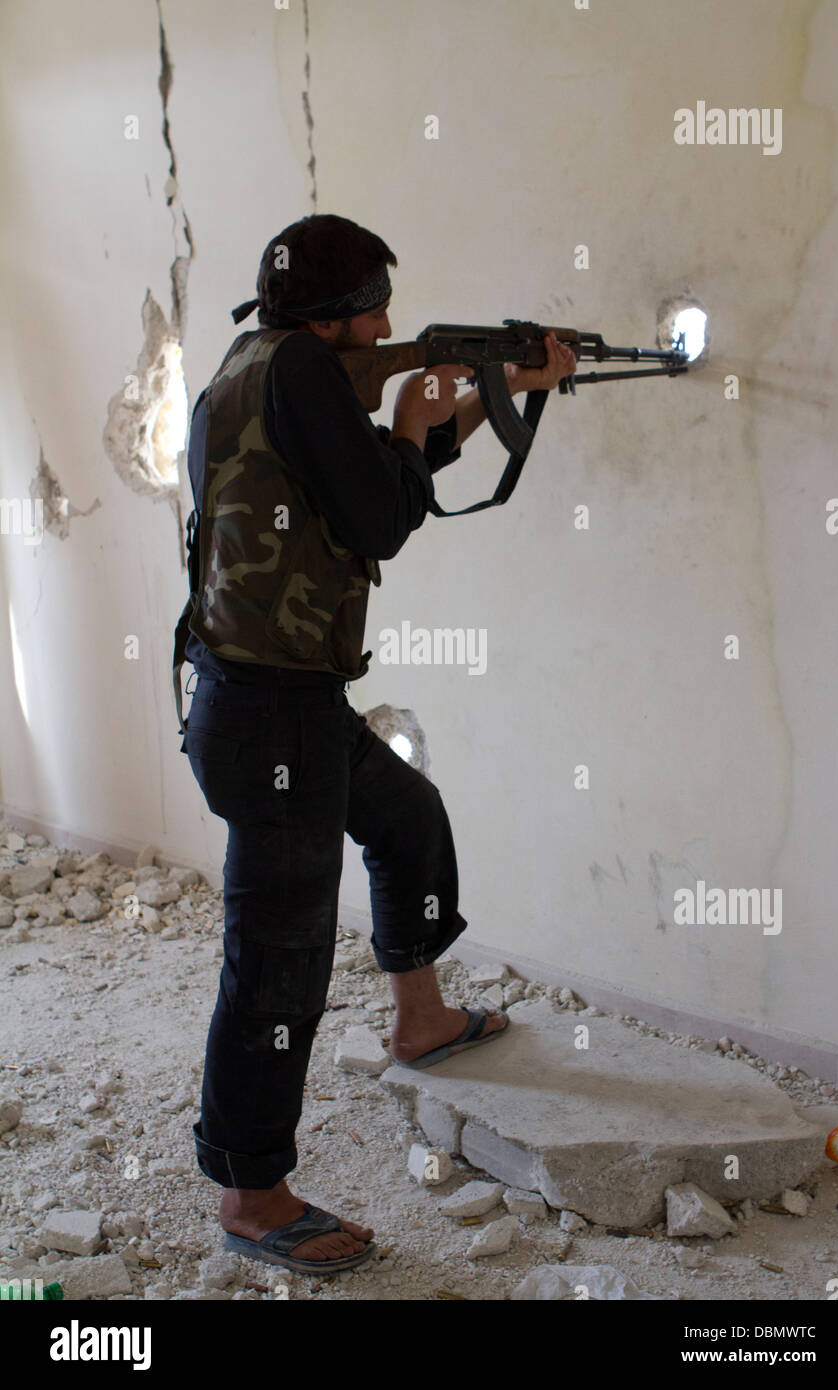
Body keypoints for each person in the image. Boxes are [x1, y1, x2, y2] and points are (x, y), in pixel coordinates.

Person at [172, 214, 576, 1274]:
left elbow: (351, 491)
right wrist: (411, 418)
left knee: (406, 818)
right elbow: (382, 519)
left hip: (267, 698)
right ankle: (251, 1194)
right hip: (272, 714)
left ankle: (419, 1018)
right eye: (377, 310)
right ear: (332, 317)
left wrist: (452, 412)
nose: (390, 324)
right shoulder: (304, 369)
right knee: (277, 963)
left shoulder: (253, 356)